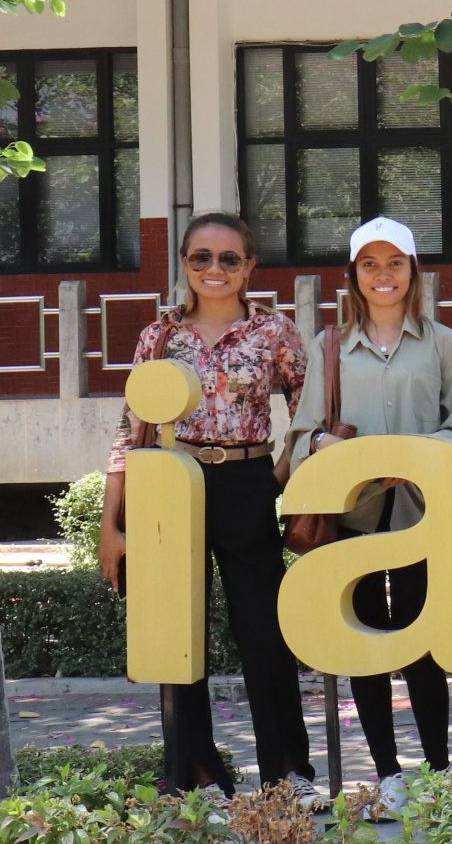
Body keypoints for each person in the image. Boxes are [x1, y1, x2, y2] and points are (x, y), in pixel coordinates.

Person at [98, 212, 316, 799]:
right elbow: (130, 429)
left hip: (246, 483)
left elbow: (308, 419)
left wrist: (276, 478)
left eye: (228, 259)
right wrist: (110, 523)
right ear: (184, 264)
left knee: (264, 633)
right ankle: (195, 775)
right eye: (200, 258)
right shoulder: (160, 337)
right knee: (176, 634)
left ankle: (286, 774)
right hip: (170, 483)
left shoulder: (276, 334)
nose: (213, 270)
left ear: (249, 267)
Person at [290, 216, 452, 817]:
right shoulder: (329, 349)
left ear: (414, 270)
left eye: (394, 262)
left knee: (426, 647)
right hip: (355, 520)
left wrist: (419, 458)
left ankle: (440, 771)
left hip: (424, 516)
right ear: (353, 276)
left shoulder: (446, 344)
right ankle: (389, 773)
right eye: (369, 264)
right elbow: (301, 436)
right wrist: (333, 452)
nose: (383, 275)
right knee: (366, 646)